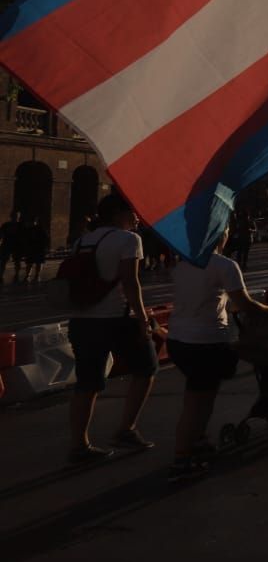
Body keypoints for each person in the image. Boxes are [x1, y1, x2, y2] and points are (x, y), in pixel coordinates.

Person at [166, 223, 268, 480]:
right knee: (197, 402)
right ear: (221, 235)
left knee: (201, 395)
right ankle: (181, 459)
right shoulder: (224, 265)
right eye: (226, 230)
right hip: (205, 341)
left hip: (177, 340)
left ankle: (199, 440)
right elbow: (244, 303)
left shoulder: (182, 264)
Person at [64, 194, 160, 463]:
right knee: (146, 368)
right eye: (133, 211)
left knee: (87, 383)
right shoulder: (129, 240)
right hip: (117, 319)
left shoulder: (82, 240)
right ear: (119, 214)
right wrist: (142, 318)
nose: (137, 217)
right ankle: (126, 429)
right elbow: (131, 282)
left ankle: (79, 445)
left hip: (82, 320)